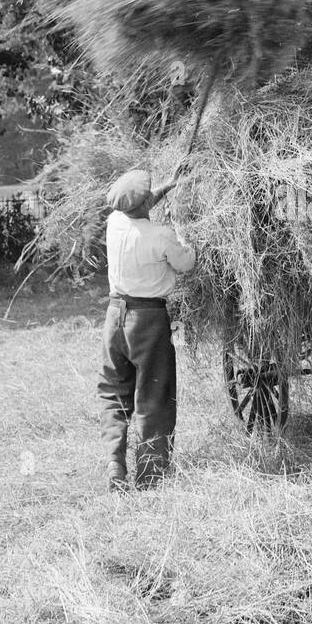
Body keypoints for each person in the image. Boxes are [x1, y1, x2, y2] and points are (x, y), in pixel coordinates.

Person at [98, 164, 195, 490]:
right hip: (148, 321)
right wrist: (188, 236)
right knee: (154, 394)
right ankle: (151, 477)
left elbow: (140, 206)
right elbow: (187, 263)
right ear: (142, 205)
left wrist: (169, 184)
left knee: (114, 393)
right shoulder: (162, 236)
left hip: (114, 317)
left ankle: (115, 465)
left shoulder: (113, 223)